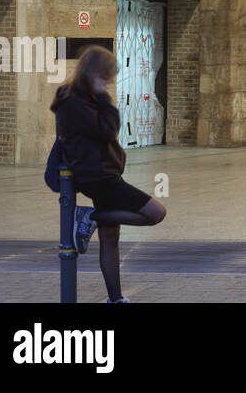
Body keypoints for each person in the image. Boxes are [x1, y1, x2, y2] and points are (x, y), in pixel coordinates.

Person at [50, 45, 166, 302]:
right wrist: (104, 98)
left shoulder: (83, 98)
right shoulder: (72, 101)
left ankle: (116, 298)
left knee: (110, 236)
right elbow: (108, 129)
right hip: (97, 175)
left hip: (103, 172)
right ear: (91, 73)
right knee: (155, 213)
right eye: (104, 77)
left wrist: (100, 97)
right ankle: (89, 215)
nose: (108, 82)